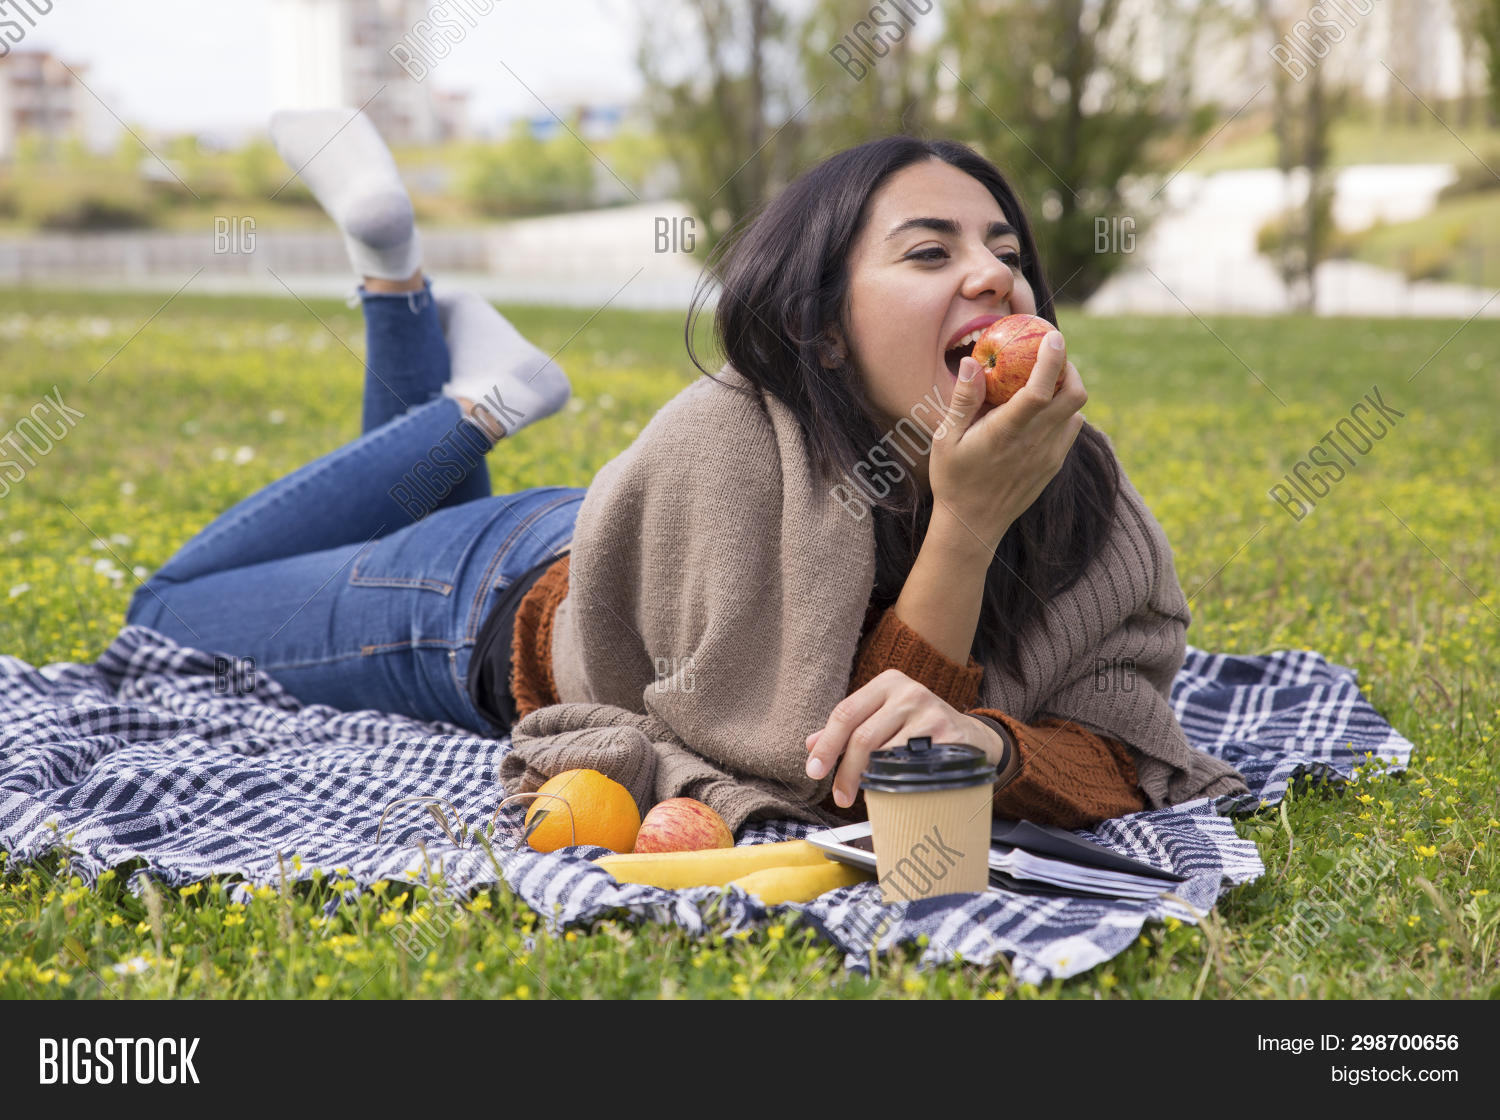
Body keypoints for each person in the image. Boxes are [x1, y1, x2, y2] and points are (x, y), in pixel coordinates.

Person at [128, 112, 1249, 835]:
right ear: (819, 330)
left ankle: (393, 277)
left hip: (627, 551)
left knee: (301, 551)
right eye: (930, 251)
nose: (993, 278)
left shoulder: (1075, 481)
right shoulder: (724, 434)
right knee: (164, 611)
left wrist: (998, 746)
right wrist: (965, 525)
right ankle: (482, 404)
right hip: (473, 602)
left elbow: (1118, 750)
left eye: (1007, 252)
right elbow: (822, 769)